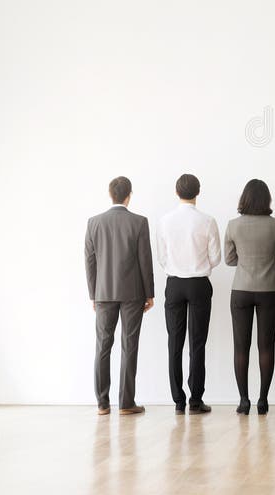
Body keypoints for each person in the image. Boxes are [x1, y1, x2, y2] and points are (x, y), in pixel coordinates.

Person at [85, 176, 154, 416]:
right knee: (129, 345)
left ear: (110, 194)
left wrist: (93, 294)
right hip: (133, 293)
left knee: (103, 345)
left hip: (103, 293)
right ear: (129, 195)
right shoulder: (139, 222)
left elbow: (89, 261)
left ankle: (102, 404)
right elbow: (145, 260)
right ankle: (126, 403)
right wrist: (150, 293)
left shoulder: (94, 223)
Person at [156, 173, 220, 415]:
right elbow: (215, 258)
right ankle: (196, 400)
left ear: (176, 192)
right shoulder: (207, 221)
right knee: (197, 343)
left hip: (174, 284)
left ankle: (178, 401)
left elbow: (162, 257)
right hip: (199, 284)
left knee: (174, 342)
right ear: (198, 192)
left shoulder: (164, 221)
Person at [224, 179, 275, 415]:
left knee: (241, 347)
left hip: (240, 289)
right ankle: (263, 400)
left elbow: (229, 260)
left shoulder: (233, 225)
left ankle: (243, 400)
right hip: (269, 290)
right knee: (266, 346)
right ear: (267, 199)